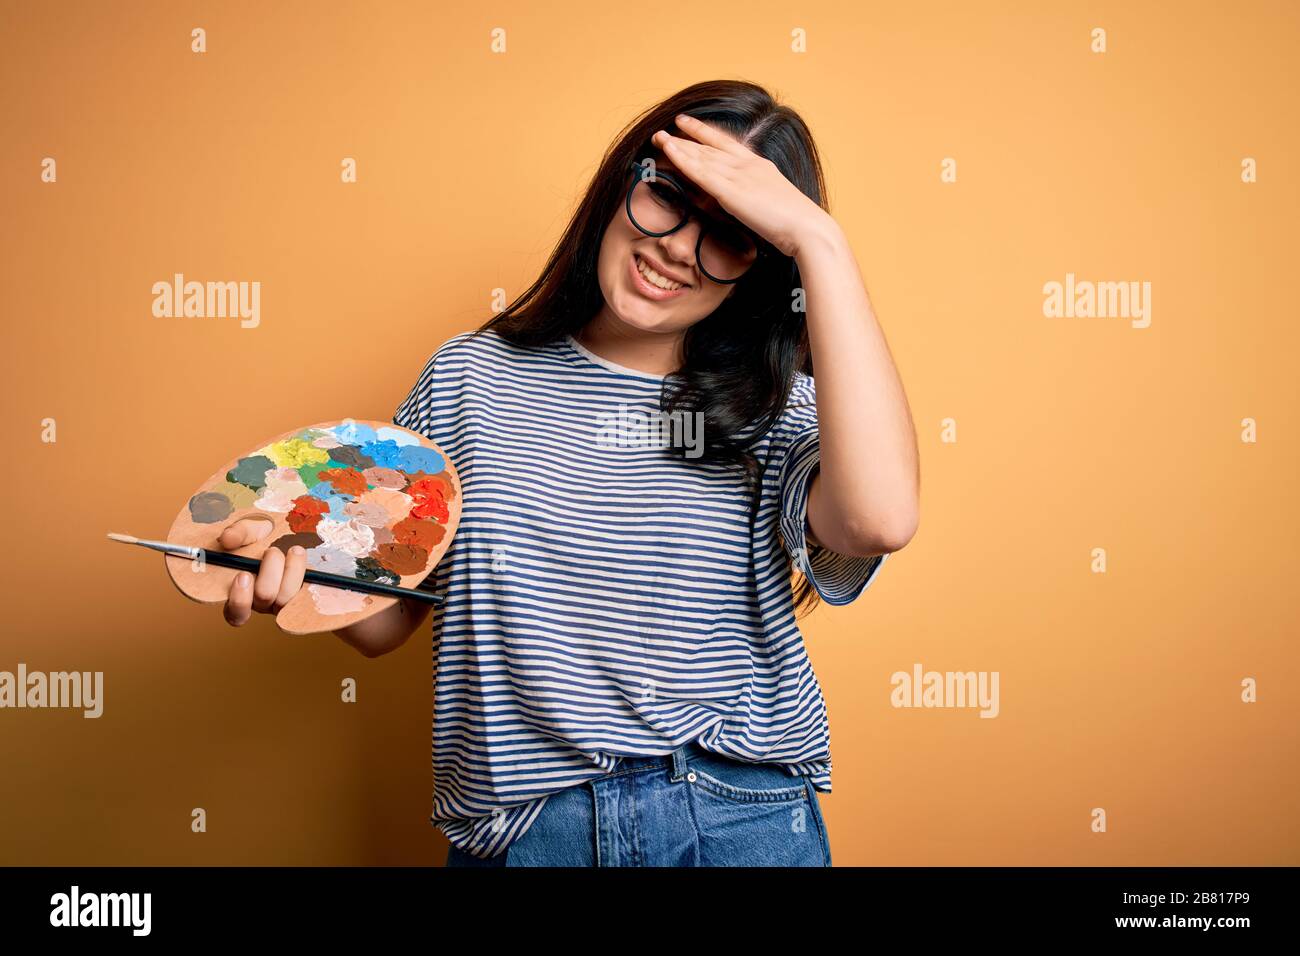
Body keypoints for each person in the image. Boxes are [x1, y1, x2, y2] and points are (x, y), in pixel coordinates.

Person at [214, 79, 919, 866]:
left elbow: (879, 521)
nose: (679, 248)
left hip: (731, 819)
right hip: (524, 836)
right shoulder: (468, 379)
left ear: (761, 266)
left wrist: (820, 243)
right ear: (621, 185)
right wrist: (298, 571)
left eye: (733, 236)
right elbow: (388, 618)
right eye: (667, 199)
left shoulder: (772, 407)